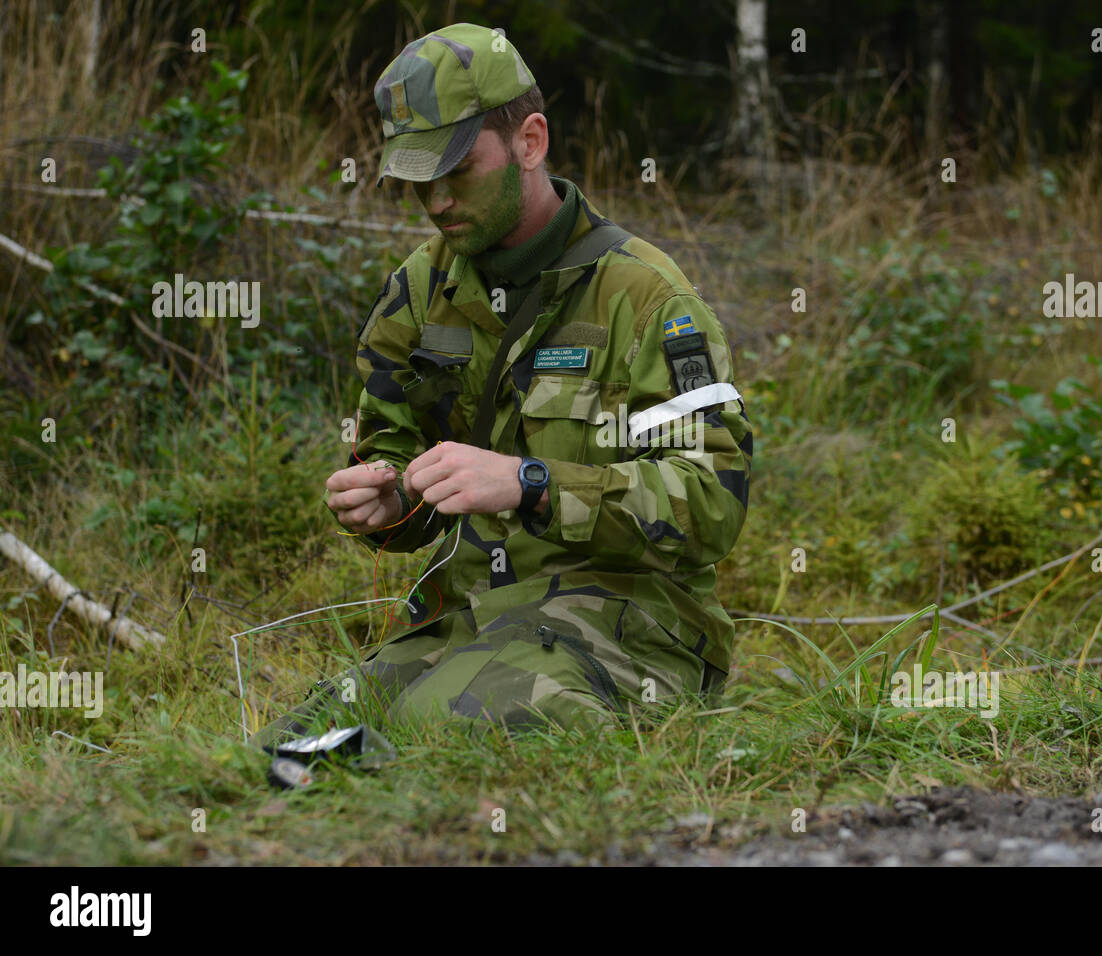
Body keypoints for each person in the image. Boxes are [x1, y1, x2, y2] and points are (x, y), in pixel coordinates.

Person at [258, 22, 751, 743]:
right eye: (416, 181)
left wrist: (532, 483)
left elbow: (712, 503)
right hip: (473, 610)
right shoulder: (421, 290)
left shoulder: (648, 299)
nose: (435, 202)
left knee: (437, 729)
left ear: (530, 142)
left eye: (457, 171)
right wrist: (391, 499)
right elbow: (391, 448)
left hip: (633, 618)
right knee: (299, 744)